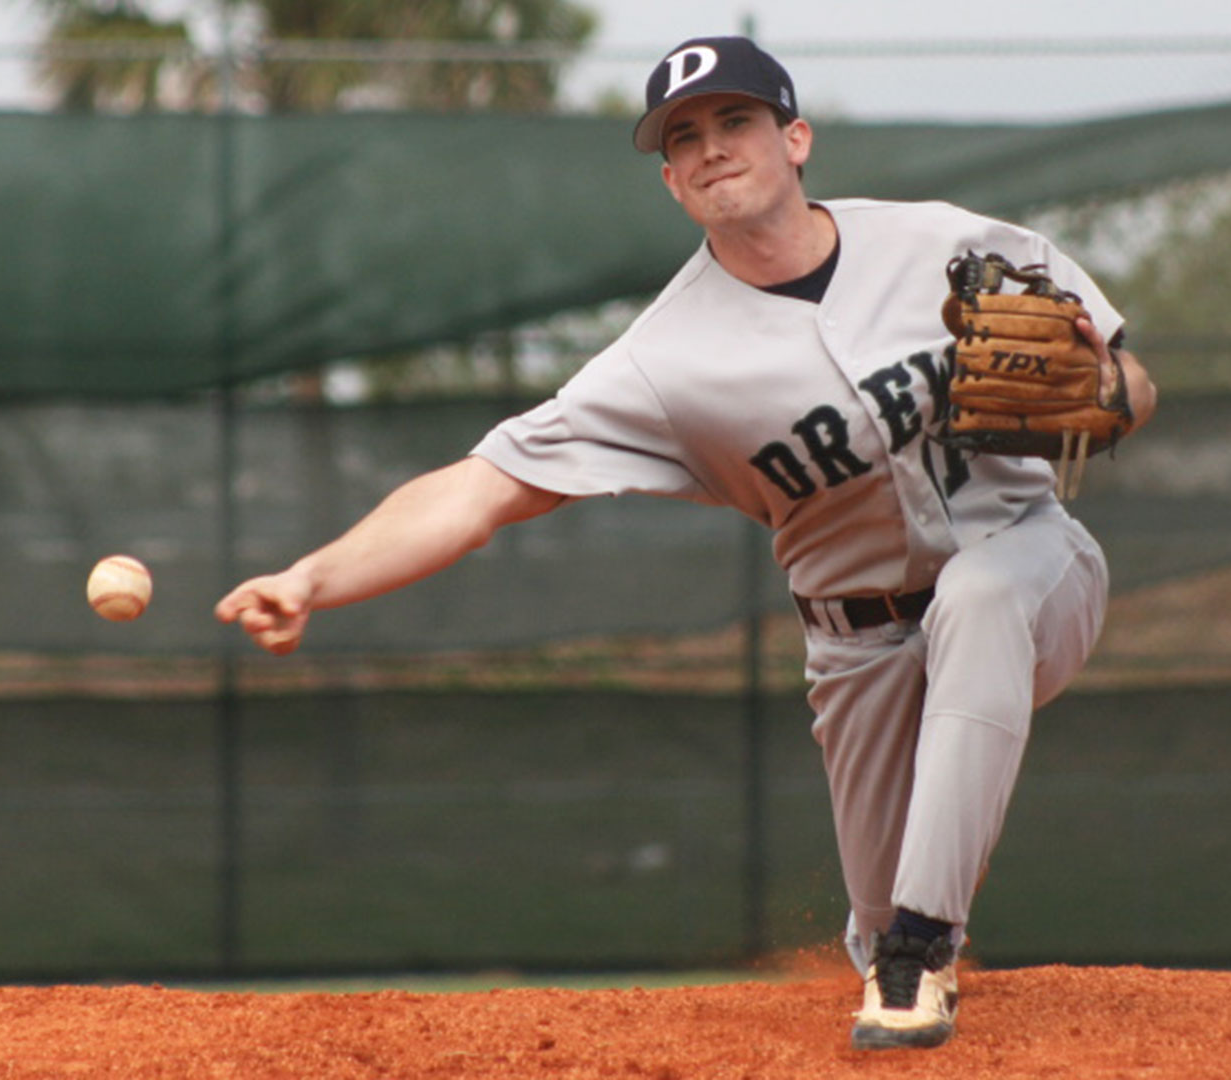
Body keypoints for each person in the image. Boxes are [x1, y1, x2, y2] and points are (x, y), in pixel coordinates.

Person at [216, 34, 1156, 1051]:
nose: (713, 147)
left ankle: (922, 948)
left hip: (1033, 567)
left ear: (795, 138)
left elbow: (1129, 378)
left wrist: (1108, 394)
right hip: (861, 643)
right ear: (671, 183)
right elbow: (481, 489)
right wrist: (313, 577)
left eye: (736, 120)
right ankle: (897, 933)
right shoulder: (662, 364)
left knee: (977, 599)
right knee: (877, 920)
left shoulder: (942, 242)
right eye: (685, 138)